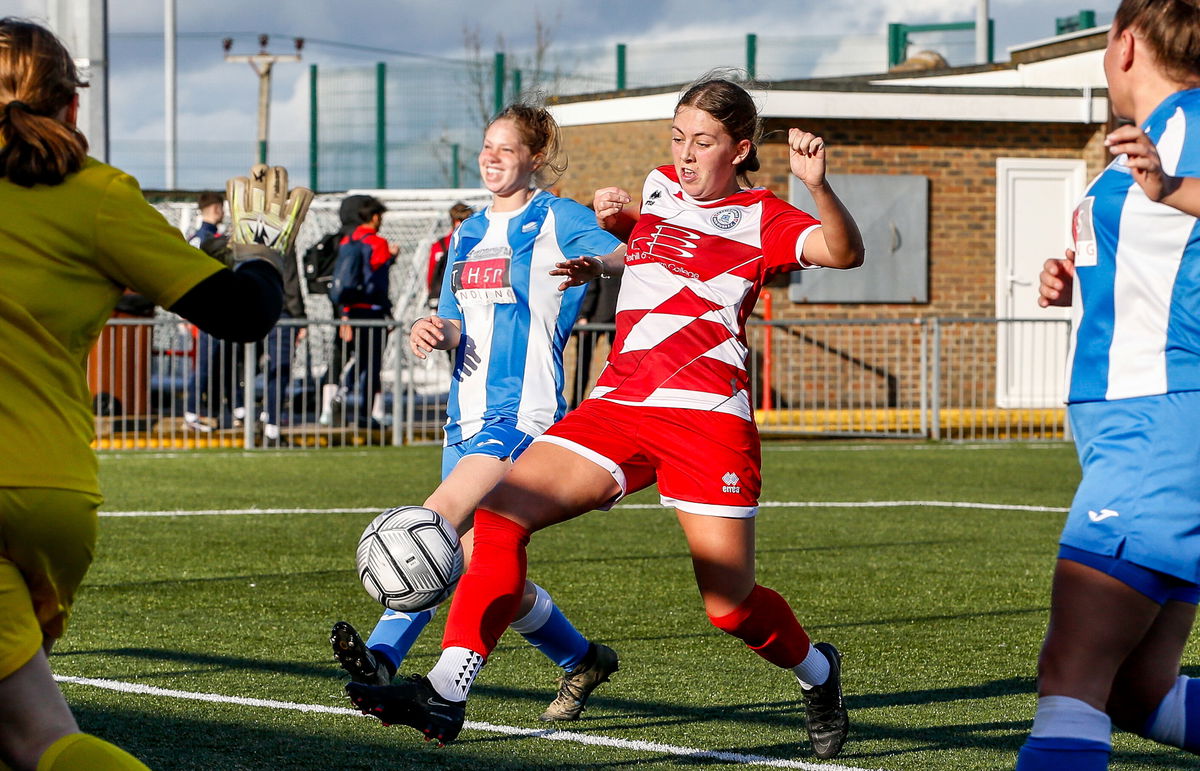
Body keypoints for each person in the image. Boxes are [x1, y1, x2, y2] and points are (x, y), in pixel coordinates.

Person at [343, 75, 865, 758]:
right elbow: (653, 247)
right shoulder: (657, 187)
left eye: (702, 142)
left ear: (739, 149)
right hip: (616, 406)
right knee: (499, 514)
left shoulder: (764, 215)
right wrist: (614, 240)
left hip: (705, 419)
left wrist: (817, 185)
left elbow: (843, 252)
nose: (683, 155)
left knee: (729, 605)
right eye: (677, 138)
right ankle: (448, 687)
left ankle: (818, 674)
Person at [0, 17, 312, 771]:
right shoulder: (96, 195)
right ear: (73, 107)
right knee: (28, 736)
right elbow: (242, 313)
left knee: (30, 739)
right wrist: (262, 253)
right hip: (49, 484)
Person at [332, 102, 625, 723]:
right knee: (479, 566)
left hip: (523, 415)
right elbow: (456, 319)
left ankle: (383, 658)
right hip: (462, 416)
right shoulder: (464, 235)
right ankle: (582, 661)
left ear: (534, 159)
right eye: (486, 147)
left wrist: (604, 251)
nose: (490, 158)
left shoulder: (559, 217)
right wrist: (432, 330)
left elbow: (631, 258)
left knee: (428, 528)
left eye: (506, 149)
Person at [1018, 2, 1200, 768]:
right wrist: (1076, 276)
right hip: (1142, 430)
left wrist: (1171, 188)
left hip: (1161, 428)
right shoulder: (1149, 140)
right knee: (1136, 690)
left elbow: (1175, 201)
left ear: (1124, 43)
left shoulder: (1187, 128)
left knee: (1071, 675)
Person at [327, 196, 397, 428]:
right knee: (371, 364)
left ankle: (340, 394)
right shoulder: (378, 243)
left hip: (352, 310)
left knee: (359, 360)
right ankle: (364, 414)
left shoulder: (349, 241)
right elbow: (376, 279)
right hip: (373, 311)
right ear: (375, 217)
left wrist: (344, 314)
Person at [426, 201, 474, 309]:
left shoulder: (438, 244)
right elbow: (431, 273)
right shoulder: (474, 243)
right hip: (461, 296)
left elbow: (430, 276)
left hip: (442, 297)